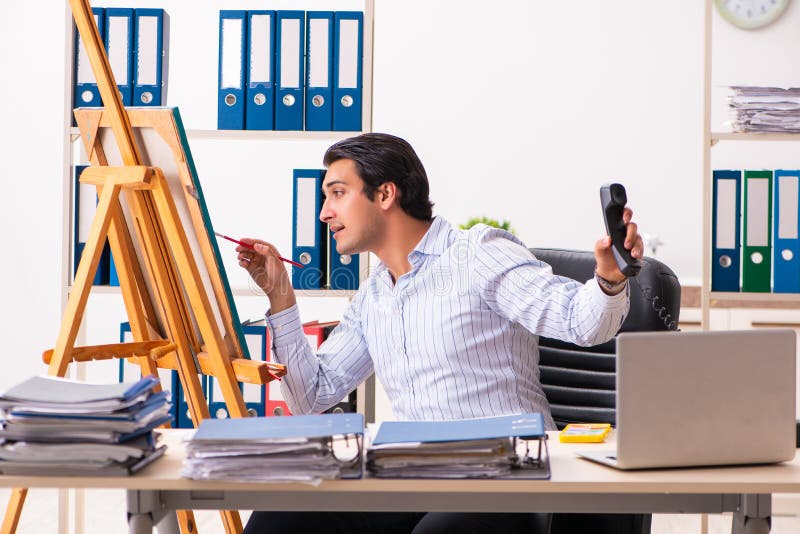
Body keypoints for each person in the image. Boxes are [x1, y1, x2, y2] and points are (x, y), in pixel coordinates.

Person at [236, 133, 643, 534]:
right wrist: (281, 297)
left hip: (504, 477)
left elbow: (581, 322)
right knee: (281, 516)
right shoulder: (374, 295)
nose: (325, 213)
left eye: (338, 193)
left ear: (385, 195)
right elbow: (311, 397)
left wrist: (609, 279)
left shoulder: (476, 254)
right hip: (416, 476)